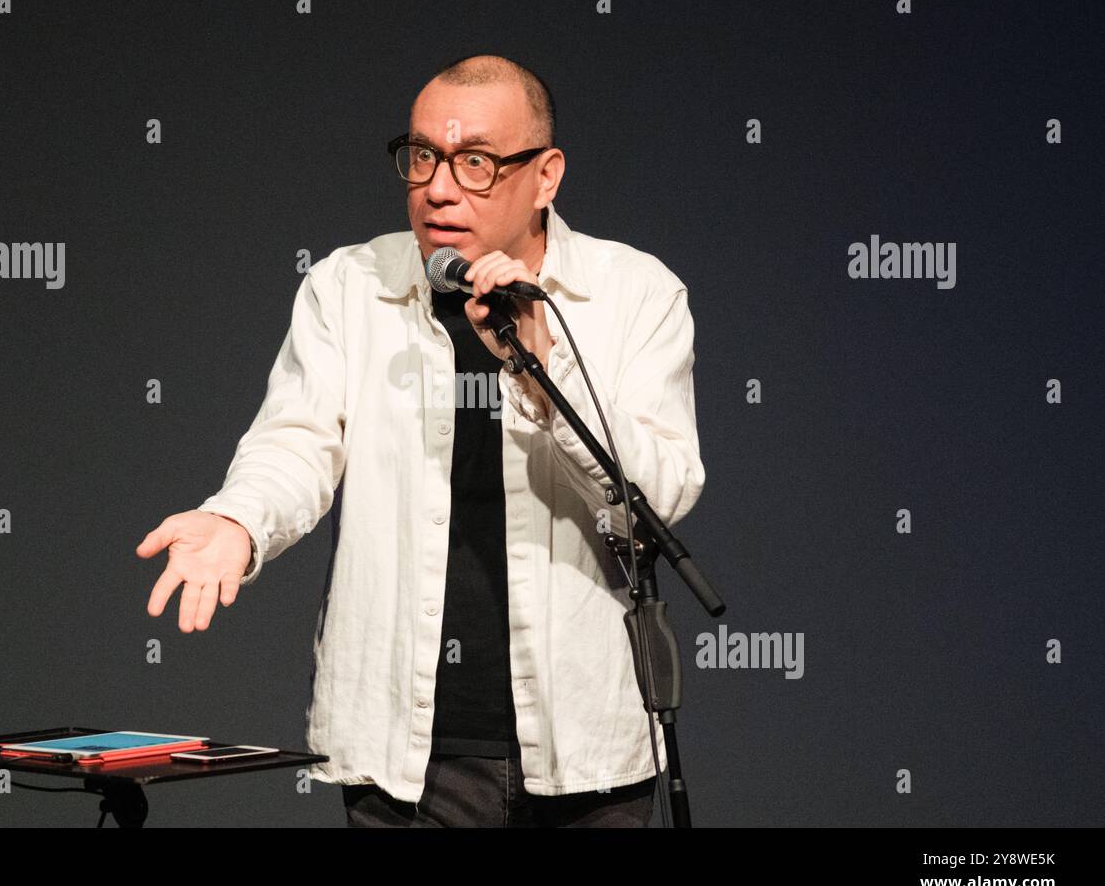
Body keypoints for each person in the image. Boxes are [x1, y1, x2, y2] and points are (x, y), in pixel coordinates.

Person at [137, 54, 706, 827]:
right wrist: (239, 519)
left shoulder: (634, 294)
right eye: (422, 157)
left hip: (589, 753)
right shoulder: (349, 287)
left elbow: (660, 496)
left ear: (545, 176)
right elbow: (296, 444)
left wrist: (543, 372)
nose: (437, 187)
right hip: (408, 759)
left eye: (474, 162)